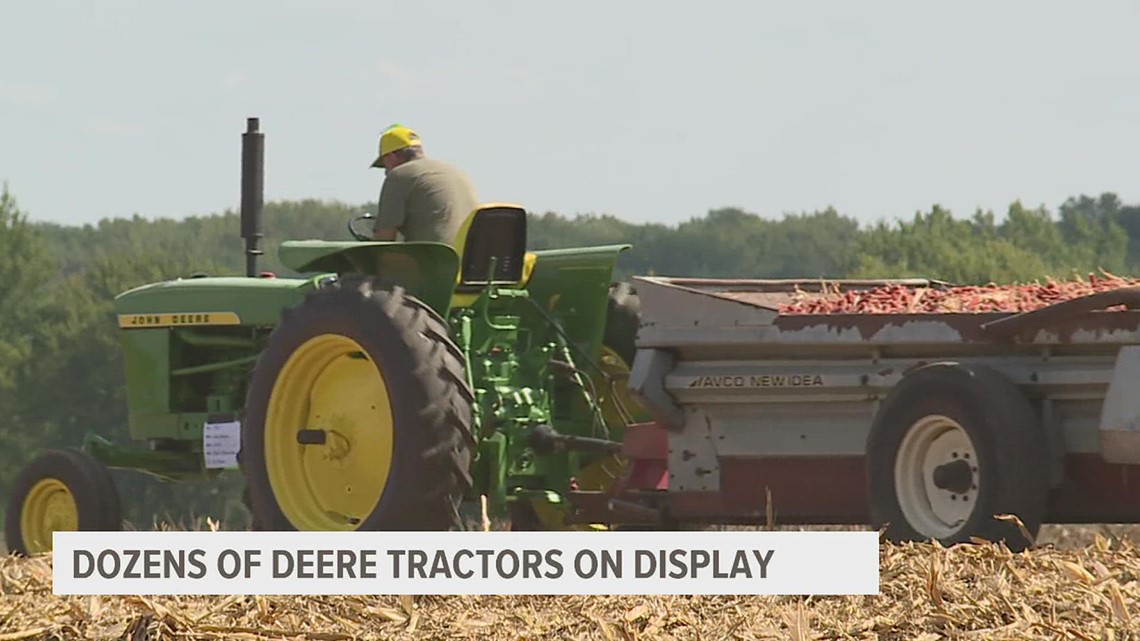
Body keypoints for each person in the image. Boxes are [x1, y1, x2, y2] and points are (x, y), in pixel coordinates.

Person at [369, 123, 479, 245]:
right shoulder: (458, 172)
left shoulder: (399, 175)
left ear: (391, 156)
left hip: (435, 254)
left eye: (384, 164)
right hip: (471, 254)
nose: (386, 171)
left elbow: (384, 238)